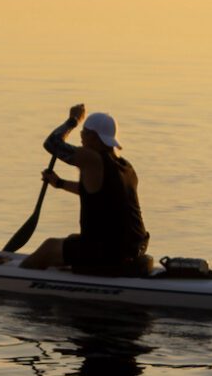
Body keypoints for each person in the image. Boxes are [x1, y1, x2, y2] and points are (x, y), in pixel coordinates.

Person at [19, 103, 150, 276]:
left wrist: (73, 121)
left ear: (95, 137)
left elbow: (52, 144)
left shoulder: (91, 158)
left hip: (110, 252)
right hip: (135, 247)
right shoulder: (126, 167)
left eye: (84, 132)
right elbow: (97, 195)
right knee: (72, 240)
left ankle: (14, 278)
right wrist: (60, 183)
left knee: (49, 247)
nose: (80, 135)